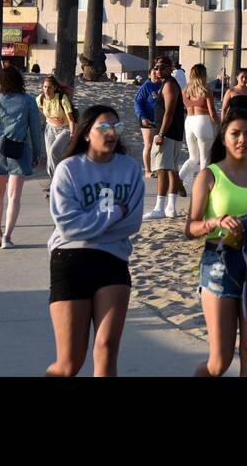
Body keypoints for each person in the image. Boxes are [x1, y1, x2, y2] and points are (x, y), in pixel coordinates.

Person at [185, 108, 247, 377]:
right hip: (219, 267)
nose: (243, 140)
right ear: (224, 138)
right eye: (236, 133)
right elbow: (190, 229)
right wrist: (215, 223)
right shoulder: (209, 176)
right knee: (220, 362)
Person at [47, 104, 144, 377]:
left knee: (106, 347)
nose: (111, 132)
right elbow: (67, 226)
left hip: (112, 259)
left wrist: (93, 224)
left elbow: (132, 223)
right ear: (87, 133)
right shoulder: (69, 170)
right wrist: (113, 214)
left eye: (116, 127)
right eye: (103, 127)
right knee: (69, 364)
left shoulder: (130, 169)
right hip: (70, 260)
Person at [0, 66, 45, 248]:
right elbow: (35, 130)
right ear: (20, 80)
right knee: (14, 196)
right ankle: (7, 237)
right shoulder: (28, 101)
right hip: (19, 148)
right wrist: (37, 154)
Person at [146, 57, 187, 219]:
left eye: (162, 67)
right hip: (173, 132)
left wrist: (161, 133)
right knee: (171, 169)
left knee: (162, 169)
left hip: (168, 133)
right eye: (156, 67)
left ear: (170, 68)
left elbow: (169, 112)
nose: (158, 70)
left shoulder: (169, 85)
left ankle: (159, 208)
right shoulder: (167, 84)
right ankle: (170, 208)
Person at [179, 64, 219, 186]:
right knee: (205, 158)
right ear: (203, 75)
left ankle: (178, 179)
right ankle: (203, 186)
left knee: (193, 157)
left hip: (189, 122)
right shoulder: (205, 91)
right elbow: (212, 113)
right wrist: (220, 125)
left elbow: (183, 109)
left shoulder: (184, 91)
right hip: (203, 122)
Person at [38, 74, 77, 181]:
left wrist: (72, 135)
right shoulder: (40, 99)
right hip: (50, 129)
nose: (47, 90)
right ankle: (54, 182)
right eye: (45, 87)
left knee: (53, 152)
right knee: (50, 157)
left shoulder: (61, 98)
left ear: (55, 88)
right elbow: (42, 110)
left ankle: (58, 181)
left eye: (50, 87)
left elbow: (71, 119)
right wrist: (50, 119)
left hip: (65, 129)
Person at [134, 66, 161, 179]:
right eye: (153, 73)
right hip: (147, 119)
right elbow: (137, 102)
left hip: (159, 119)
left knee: (158, 145)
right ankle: (147, 171)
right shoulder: (146, 86)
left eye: (157, 73)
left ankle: (156, 168)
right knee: (148, 144)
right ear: (150, 75)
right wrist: (142, 117)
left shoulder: (163, 85)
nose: (156, 75)